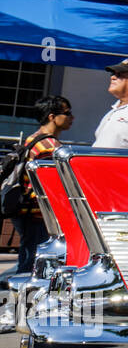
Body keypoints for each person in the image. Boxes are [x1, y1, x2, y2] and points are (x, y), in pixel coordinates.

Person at [11, 95, 74, 275]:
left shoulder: (33, 139)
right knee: (33, 264)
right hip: (39, 211)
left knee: (29, 256)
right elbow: (53, 184)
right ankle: (23, 299)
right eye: (67, 113)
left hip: (27, 209)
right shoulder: (49, 145)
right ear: (52, 116)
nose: (72, 118)